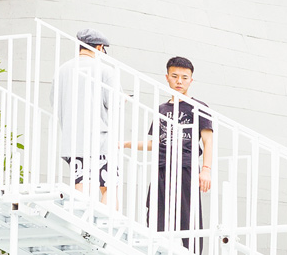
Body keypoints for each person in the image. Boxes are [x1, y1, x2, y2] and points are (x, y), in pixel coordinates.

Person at [127, 57, 214, 250]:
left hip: (186, 166)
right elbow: (155, 142)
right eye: (174, 76)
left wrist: (206, 169)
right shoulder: (162, 109)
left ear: (191, 80)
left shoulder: (199, 107)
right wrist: (125, 144)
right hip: (161, 166)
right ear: (167, 77)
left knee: (187, 215)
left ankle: (192, 251)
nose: (179, 81)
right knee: (156, 214)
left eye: (184, 77)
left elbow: (208, 141)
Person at [53, 28, 120, 203]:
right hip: (99, 140)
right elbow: (114, 103)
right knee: (109, 187)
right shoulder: (106, 70)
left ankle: (80, 226)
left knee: (82, 184)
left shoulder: (62, 69)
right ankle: (105, 228)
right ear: (99, 47)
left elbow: (54, 101)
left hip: (72, 140)